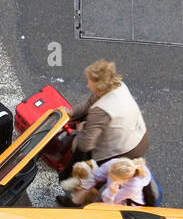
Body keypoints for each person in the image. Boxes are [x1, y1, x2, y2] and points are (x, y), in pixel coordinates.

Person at [56, 59, 148, 206]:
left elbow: (86, 145)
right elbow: (89, 103)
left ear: (98, 86)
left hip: (122, 149)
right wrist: (72, 112)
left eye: (89, 82)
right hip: (138, 136)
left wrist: (80, 131)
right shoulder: (117, 87)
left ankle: (77, 199)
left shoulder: (101, 110)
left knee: (96, 172)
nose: (87, 85)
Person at [72, 156, 151, 206]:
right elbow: (99, 175)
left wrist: (111, 193)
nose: (109, 175)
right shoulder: (115, 163)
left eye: (113, 178)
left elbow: (110, 204)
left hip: (127, 203)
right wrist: (86, 184)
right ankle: (76, 201)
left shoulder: (133, 187)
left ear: (124, 180)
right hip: (120, 194)